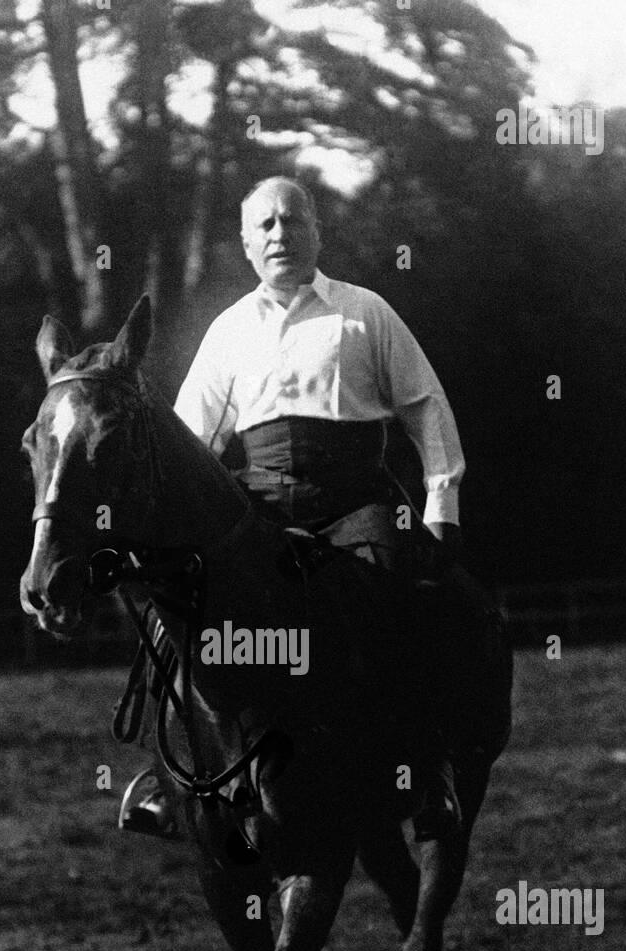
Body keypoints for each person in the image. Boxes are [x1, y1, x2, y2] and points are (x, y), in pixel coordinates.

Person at [121, 175, 467, 841]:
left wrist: (440, 500)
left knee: (400, 594)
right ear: (247, 244)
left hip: (355, 504)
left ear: (316, 232)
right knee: (180, 612)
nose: (280, 235)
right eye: (266, 226)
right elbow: (192, 442)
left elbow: (424, 405)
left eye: (293, 221)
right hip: (258, 514)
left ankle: (428, 773)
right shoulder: (226, 333)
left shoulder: (364, 312)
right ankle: (169, 781)